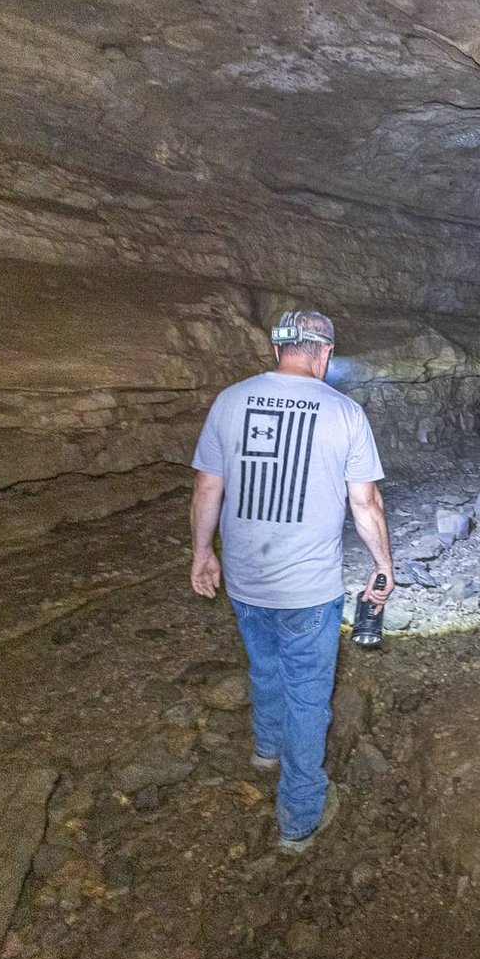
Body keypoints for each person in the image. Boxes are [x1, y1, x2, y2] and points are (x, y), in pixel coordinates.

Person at [188, 310, 394, 853]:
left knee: (265, 663)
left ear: (279, 347)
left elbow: (208, 489)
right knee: (308, 693)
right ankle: (299, 818)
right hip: (309, 588)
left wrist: (200, 554)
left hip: (247, 579)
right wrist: (384, 566)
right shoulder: (344, 412)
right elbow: (365, 502)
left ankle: (265, 749)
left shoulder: (230, 401)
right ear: (324, 353)